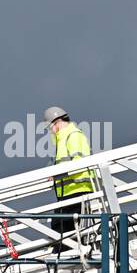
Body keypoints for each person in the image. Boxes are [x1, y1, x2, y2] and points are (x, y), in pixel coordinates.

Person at [44, 106, 95, 252]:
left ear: (57, 123)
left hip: (77, 191)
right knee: (60, 227)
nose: (50, 132)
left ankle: (65, 255)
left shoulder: (73, 135)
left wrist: (57, 174)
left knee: (61, 227)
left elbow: (77, 165)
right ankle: (65, 253)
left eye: (50, 128)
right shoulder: (64, 138)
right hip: (69, 193)